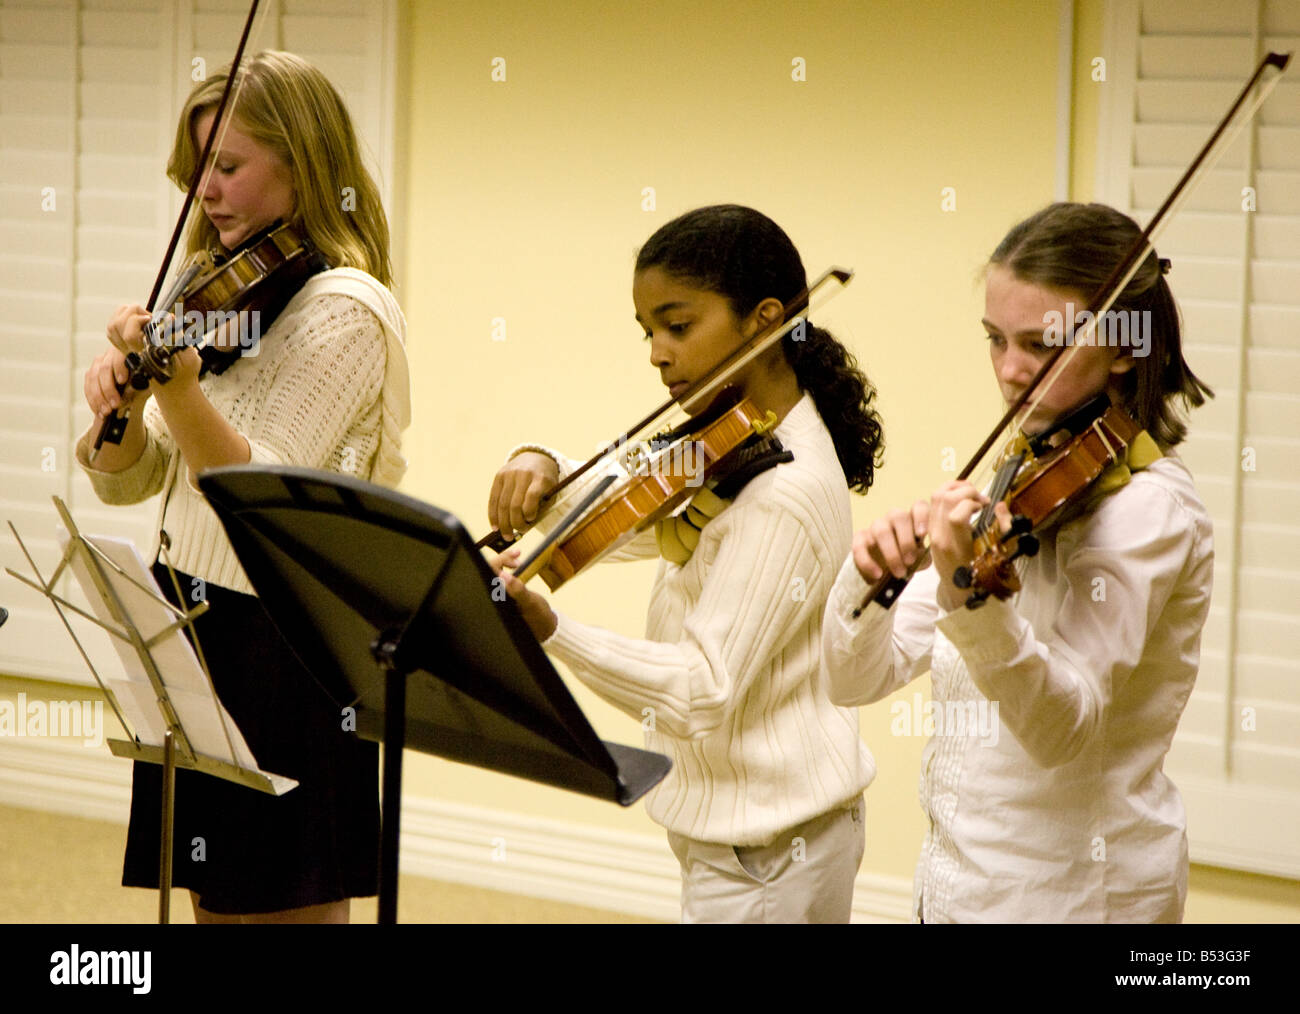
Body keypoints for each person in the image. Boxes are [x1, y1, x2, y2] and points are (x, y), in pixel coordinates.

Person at [76, 50, 410, 923]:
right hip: (194, 616)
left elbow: (251, 494)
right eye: (196, 175)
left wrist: (177, 387)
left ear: (303, 161)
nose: (206, 195)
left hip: (286, 637)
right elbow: (142, 480)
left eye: (227, 167)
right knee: (216, 898)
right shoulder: (214, 293)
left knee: (281, 905)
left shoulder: (346, 309)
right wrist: (117, 418)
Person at [821, 202, 1214, 923]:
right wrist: (869, 575)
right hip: (962, 883)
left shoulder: (1148, 514)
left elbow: (1062, 728)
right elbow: (853, 676)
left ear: (1125, 346)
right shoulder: (1019, 477)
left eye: (1042, 345)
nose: (1010, 371)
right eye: (996, 340)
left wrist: (973, 603)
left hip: (1077, 898)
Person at [490, 205, 883, 923]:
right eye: (648, 332)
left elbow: (703, 690)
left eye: (678, 326)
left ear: (765, 320)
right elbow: (629, 511)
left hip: (772, 849)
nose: (656, 353)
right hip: (736, 833)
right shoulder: (728, 438)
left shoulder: (783, 494)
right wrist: (544, 463)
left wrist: (552, 630)